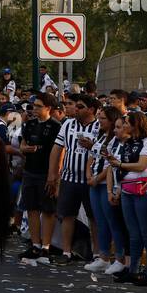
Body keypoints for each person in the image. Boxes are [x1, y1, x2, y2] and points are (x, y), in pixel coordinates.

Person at [109, 109, 147, 286]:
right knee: (133, 233)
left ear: (135, 124)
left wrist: (120, 164)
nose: (123, 126)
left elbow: (141, 165)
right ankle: (133, 270)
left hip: (144, 191)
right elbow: (120, 167)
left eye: (126, 123)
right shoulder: (128, 142)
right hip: (127, 191)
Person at [49, 94, 99, 264]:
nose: (75, 110)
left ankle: (97, 254)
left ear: (91, 109)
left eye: (80, 107)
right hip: (69, 178)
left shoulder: (99, 126)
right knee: (67, 215)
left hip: (91, 180)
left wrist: (92, 146)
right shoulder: (68, 124)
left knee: (94, 217)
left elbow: (108, 151)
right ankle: (66, 252)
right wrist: (53, 174)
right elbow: (57, 149)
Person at [18, 93, 62, 263]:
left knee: (48, 209)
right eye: (33, 106)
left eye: (38, 106)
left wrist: (55, 175)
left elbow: (59, 151)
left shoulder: (56, 126)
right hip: (30, 170)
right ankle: (35, 244)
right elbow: (22, 144)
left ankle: (46, 246)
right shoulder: (29, 124)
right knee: (31, 208)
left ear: (48, 108)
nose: (34, 109)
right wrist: (25, 149)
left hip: (46, 172)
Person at [85, 105, 126, 275]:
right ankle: (103, 257)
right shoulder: (100, 136)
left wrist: (96, 178)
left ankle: (119, 258)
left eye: (102, 119)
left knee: (112, 222)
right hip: (94, 183)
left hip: (105, 184)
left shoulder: (116, 140)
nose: (99, 121)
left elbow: (110, 164)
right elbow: (92, 156)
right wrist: (89, 175)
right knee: (99, 221)